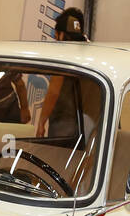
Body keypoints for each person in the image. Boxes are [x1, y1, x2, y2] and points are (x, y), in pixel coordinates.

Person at [34, 8, 90, 138]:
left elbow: (54, 91)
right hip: (87, 124)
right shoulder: (89, 53)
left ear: (60, 34)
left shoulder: (64, 55)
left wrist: (41, 122)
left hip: (64, 123)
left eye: (56, 35)